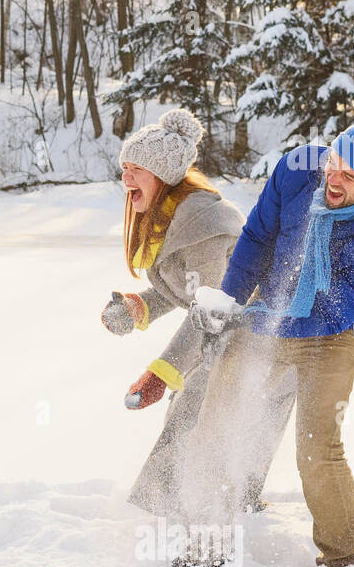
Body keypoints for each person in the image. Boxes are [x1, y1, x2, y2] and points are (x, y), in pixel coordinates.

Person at [182, 119, 354, 567]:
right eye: (335, 163)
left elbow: (341, 310)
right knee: (216, 426)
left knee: (316, 449)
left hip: (332, 339)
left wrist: (269, 315)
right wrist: (230, 299)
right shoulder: (298, 167)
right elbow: (257, 238)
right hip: (268, 314)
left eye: (349, 176)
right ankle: (203, 543)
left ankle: (342, 558)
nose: (333, 177)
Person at [102, 109, 292, 516]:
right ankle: (215, 503)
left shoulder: (204, 224)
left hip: (270, 337)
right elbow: (186, 288)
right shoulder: (173, 218)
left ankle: (161, 507)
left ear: (163, 173)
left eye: (136, 169)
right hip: (237, 333)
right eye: (124, 168)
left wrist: (161, 371)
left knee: (196, 409)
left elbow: (212, 309)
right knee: (209, 414)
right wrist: (140, 307)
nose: (126, 178)